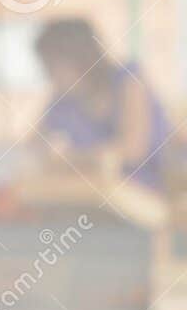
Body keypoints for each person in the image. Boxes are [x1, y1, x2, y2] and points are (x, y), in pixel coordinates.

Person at [33, 18, 171, 188]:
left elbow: (134, 150)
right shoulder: (62, 101)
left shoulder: (128, 80)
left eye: (53, 67)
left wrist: (74, 159)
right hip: (94, 192)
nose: (51, 77)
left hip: (143, 190)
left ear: (80, 60)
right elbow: (33, 146)